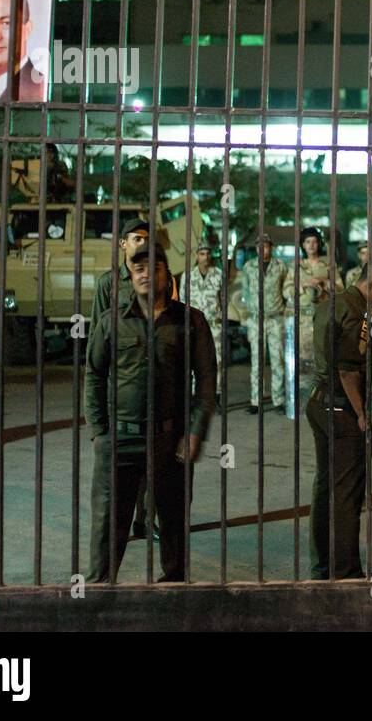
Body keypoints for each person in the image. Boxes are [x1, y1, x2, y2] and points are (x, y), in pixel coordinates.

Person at [84, 242, 216, 583]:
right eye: (138, 268)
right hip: (120, 440)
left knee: (173, 524)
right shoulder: (112, 322)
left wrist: (194, 431)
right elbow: (93, 375)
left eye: (152, 267)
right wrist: (100, 432)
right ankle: (99, 595)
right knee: (108, 527)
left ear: (166, 275)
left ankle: (172, 592)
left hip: (169, 440)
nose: (144, 273)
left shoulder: (191, 322)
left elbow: (205, 383)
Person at [306, 255, 372, 579]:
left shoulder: (330, 303)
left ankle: (322, 566)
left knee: (325, 489)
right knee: (346, 496)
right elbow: (348, 369)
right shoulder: (356, 310)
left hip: (319, 403)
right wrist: (362, 415)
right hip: (340, 407)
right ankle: (345, 570)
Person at [240, 233, 294, 414]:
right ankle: (256, 401)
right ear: (256, 248)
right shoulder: (248, 267)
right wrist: (247, 315)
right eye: (259, 246)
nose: (262, 249)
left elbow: (286, 289)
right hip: (256, 320)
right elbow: (245, 293)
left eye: (266, 245)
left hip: (275, 319)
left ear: (271, 247)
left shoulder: (280, 267)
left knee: (277, 360)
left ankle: (278, 400)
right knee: (257, 361)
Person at [345, 243, 372, 412]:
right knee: (358, 354)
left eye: (369, 253)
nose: (366, 256)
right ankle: (359, 396)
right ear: (359, 255)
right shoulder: (352, 275)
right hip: (359, 319)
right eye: (363, 253)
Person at [296, 227, 342, 372]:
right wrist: (304, 285)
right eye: (307, 242)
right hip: (303, 319)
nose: (311, 245)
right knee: (303, 358)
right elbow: (287, 289)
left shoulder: (329, 264)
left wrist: (328, 283)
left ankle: (324, 389)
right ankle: (304, 392)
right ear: (303, 245)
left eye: (315, 242)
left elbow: (341, 288)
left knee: (324, 355)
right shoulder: (297, 266)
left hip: (324, 316)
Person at [91, 217, 150, 321]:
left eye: (146, 239)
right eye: (137, 239)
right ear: (123, 244)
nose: (143, 244)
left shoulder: (159, 279)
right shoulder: (108, 282)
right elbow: (97, 327)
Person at [184, 241, 225, 380]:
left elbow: (224, 301)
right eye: (202, 254)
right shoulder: (188, 276)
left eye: (208, 253)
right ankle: (195, 396)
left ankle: (217, 394)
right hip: (195, 326)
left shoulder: (219, 275)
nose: (205, 257)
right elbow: (183, 302)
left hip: (215, 325)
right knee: (195, 360)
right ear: (196, 256)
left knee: (217, 361)